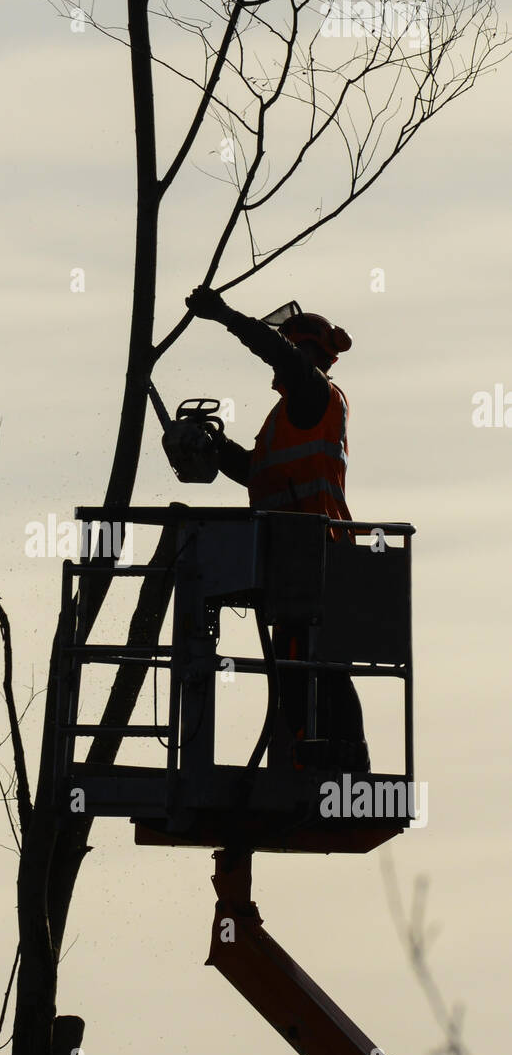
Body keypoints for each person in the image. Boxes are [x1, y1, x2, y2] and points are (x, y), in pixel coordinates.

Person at [184, 285, 370, 772]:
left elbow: (276, 352)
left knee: (313, 668)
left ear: (306, 351)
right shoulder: (289, 415)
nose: (276, 361)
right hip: (293, 556)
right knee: (300, 669)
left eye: (287, 347)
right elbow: (257, 473)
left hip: (314, 552)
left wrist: (223, 314)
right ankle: (311, 756)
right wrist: (217, 447)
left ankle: (330, 762)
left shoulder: (312, 392)